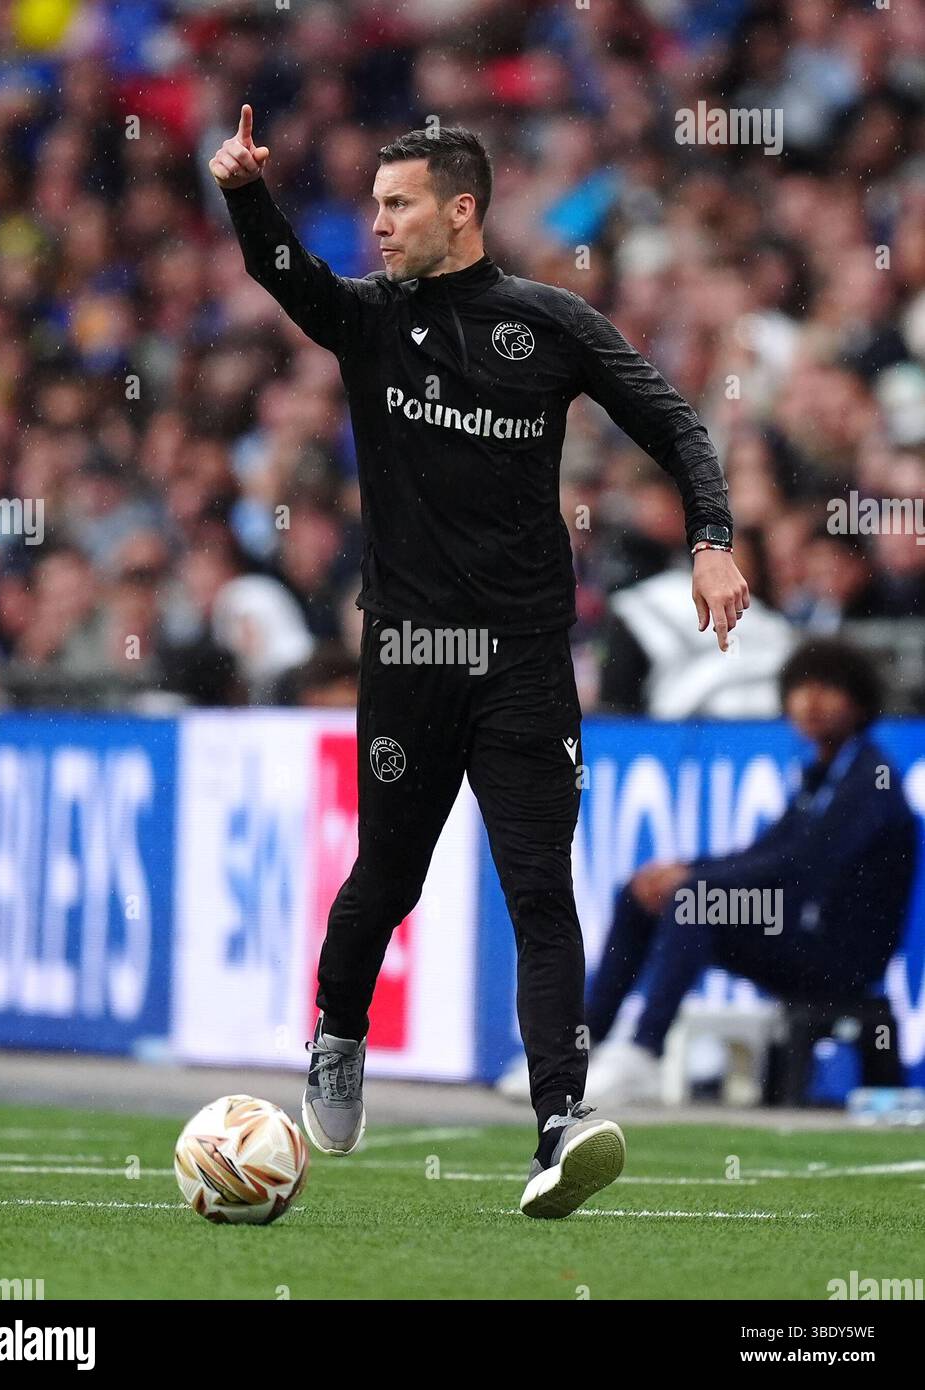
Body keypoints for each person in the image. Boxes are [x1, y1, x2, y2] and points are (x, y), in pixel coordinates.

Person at [210, 110, 747, 1217]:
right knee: (384, 886)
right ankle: (338, 1032)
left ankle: (562, 1120)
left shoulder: (549, 324)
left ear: (462, 207)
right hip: (409, 655)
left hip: (526, 661)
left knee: (540, 889)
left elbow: (677, 423)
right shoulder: (364, 319)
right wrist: (246, 194)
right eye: (373, 203)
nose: (378, 222)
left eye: (397, 203)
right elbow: (284, 274)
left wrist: (711, 541)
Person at [582, 638, 919, 1106]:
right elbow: (768, 850)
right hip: (800, 936)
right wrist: (682, 869)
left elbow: (797, 866)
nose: (812, 702)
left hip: (839, 957)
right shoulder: (819, 774)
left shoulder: (871, 780)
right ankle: (580, 1049)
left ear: (860, 702)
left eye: (829, 688)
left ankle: (643, 1051)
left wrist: (692, 880)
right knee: (641, 893)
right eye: (802, 688)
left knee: (694, 900)